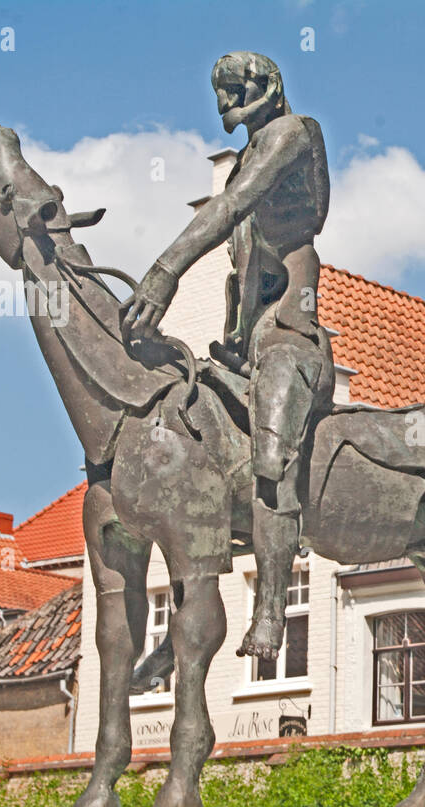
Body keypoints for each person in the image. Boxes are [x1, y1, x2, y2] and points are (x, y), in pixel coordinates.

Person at [123, 51, 332, 660]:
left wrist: (165, 273)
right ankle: (190, 620)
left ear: (266, 87)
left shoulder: (294, 134)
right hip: (238, 336)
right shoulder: (246, 154)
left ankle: (271, 612)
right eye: (218, 91)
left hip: (288, 320)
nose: (223, 103)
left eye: (234, 88)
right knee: (188, 460)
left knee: (271, 455)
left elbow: (231, 207)